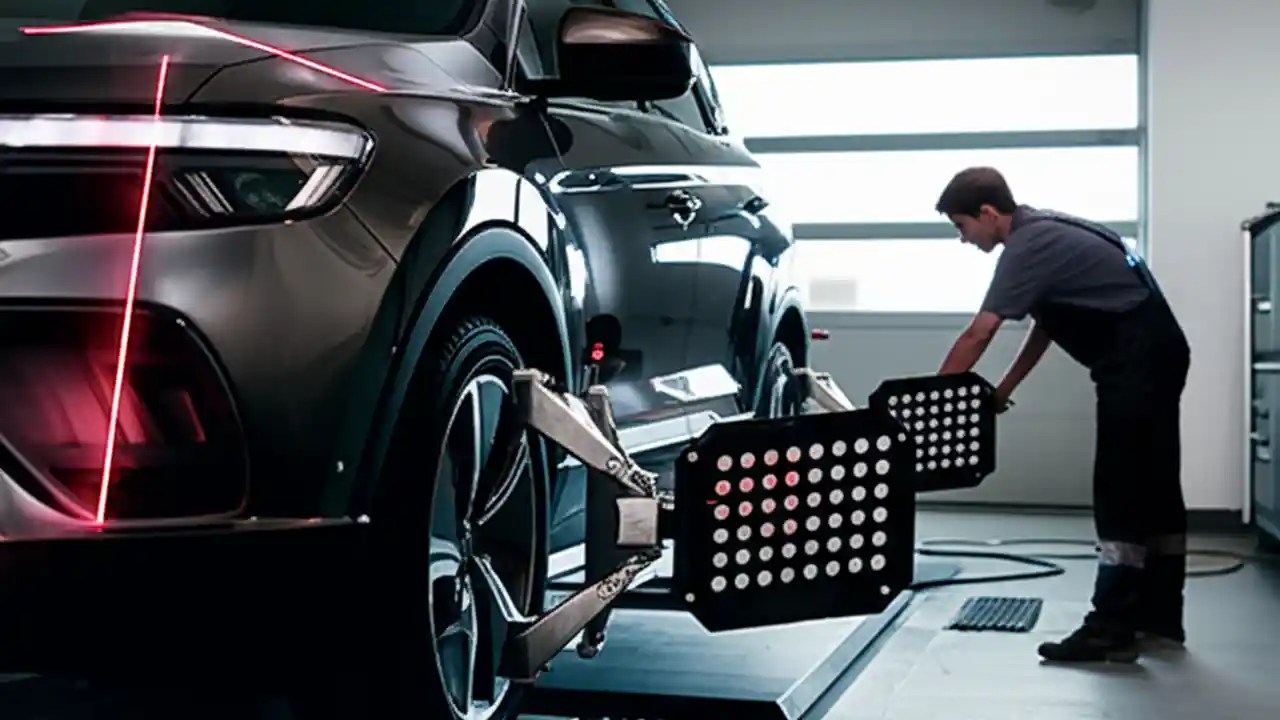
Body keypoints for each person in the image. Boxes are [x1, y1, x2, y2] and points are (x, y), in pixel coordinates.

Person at [933, 166, 1191, 663]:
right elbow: (1047, 324)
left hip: (1136, 359)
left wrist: (931, 402)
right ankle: (1159, 618)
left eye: (962, 227)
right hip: (1159, 350)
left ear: (987, 213)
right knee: (1155, 483)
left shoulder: (1026, 246)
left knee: (1120, 484)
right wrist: (1005, 388)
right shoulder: (1049, 231)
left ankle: (1111, 627)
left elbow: (978, 333)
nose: (963, 239)